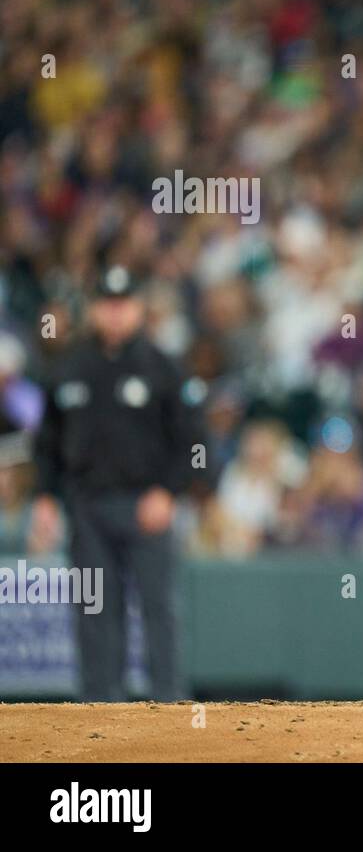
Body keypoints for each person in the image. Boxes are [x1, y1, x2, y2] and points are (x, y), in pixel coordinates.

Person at [29, 265, 205, 702]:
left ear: (139, 308)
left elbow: (193, 441)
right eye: (106, 304)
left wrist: (169, 490)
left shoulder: (163, 368)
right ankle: (99, 706)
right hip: (86, 507)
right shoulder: (69, 368)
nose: (114, 314)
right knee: (94, 609)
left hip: (146, 505)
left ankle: (168, 702)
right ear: (93, 309)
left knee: (157, 607)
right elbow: (47, 443)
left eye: (123, 304)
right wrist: (46, 497)